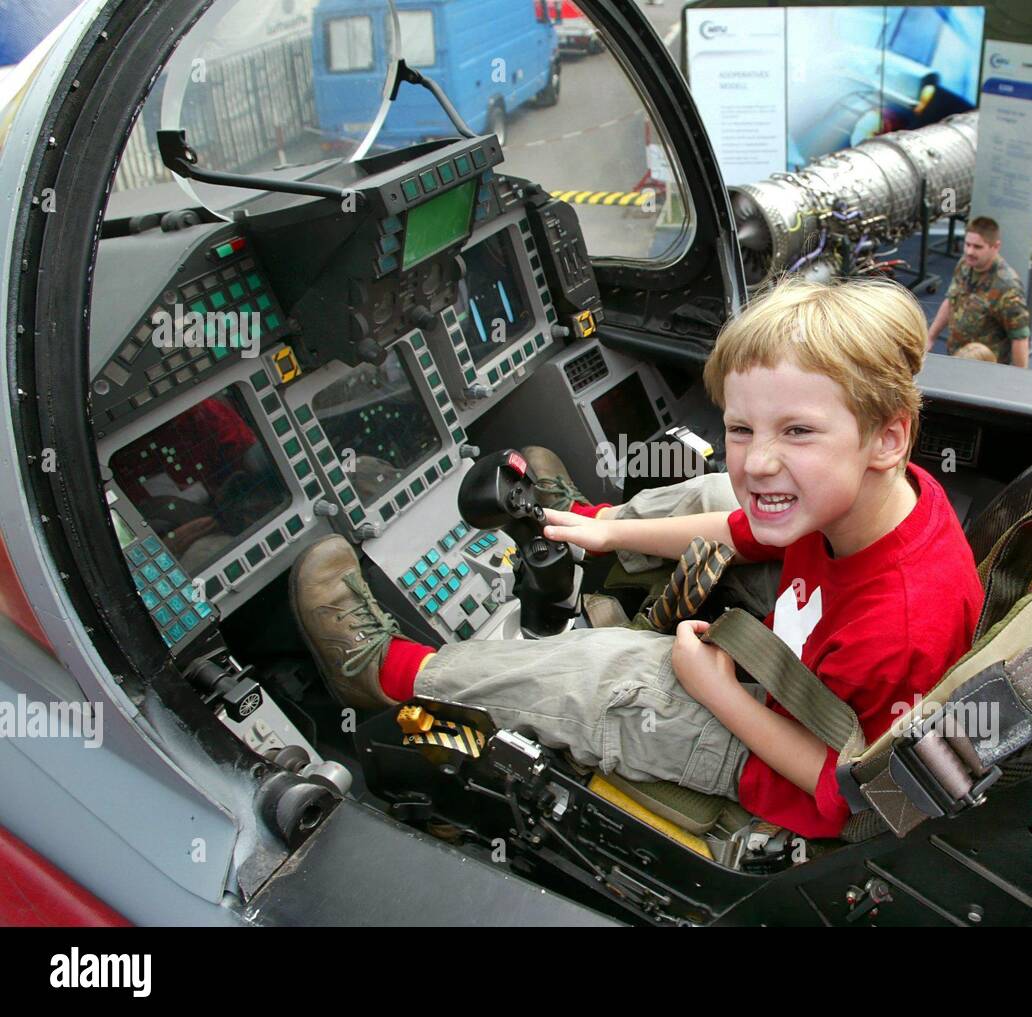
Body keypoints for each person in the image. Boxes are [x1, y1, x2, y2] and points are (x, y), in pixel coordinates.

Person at [290, 278, 984, 840]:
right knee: (720, 493)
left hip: (776, 769)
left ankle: (385, 671)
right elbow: (741, 526)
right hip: (802, 663)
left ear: (888, 438)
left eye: (797, 430)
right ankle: (581, 517)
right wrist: (610, 531)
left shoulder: (901, 624)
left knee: (617, 669)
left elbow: (853, 795)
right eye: (741, 427)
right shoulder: (868, 498)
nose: (761, 458)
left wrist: (710, 688)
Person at [926, 217, 1032, 368]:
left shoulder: (1007, 288)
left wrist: (1019, 381)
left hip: (986, 368)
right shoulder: (965, 264)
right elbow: (951, 300)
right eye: (967, 244)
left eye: (977, 247)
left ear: (995, 247)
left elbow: (1020, 338)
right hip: (957, 357)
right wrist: (930, 337)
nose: (969, 251)